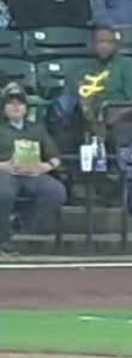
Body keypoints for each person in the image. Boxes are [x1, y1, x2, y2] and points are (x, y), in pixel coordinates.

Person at [0, 82, 66, 256]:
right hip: (5, 173)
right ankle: (3, 239)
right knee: (3, 193)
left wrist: (44, 167)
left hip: (33, 174)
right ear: (3, 108)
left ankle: (23, 227)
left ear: (26, 108)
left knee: (56, 191)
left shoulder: (37, 129)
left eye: (20, 103)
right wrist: (3, 166)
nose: (16, 107)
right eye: (10, 103)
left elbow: (56, 157)